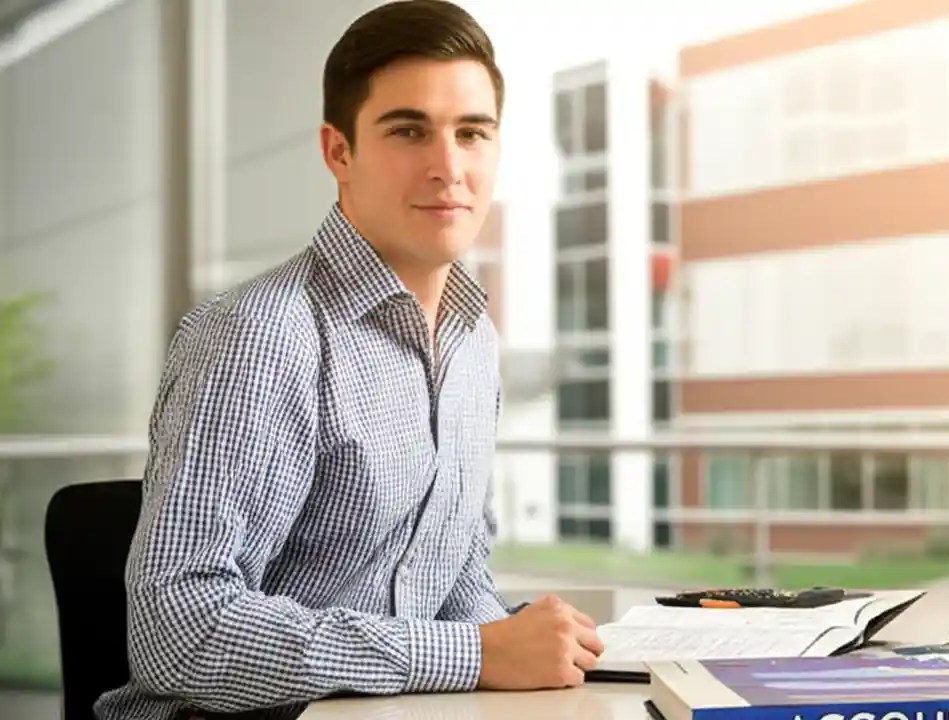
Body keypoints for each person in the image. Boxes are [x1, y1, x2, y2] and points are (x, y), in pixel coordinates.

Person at [95, 2, 604, 718]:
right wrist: (477, 654)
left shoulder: (472, 338)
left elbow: (449, 572)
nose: (448, 167)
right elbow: (179, 632)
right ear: (339, 151)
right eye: (408, 131)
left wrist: (535, 645)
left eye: (472, 133)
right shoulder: (259, 337)